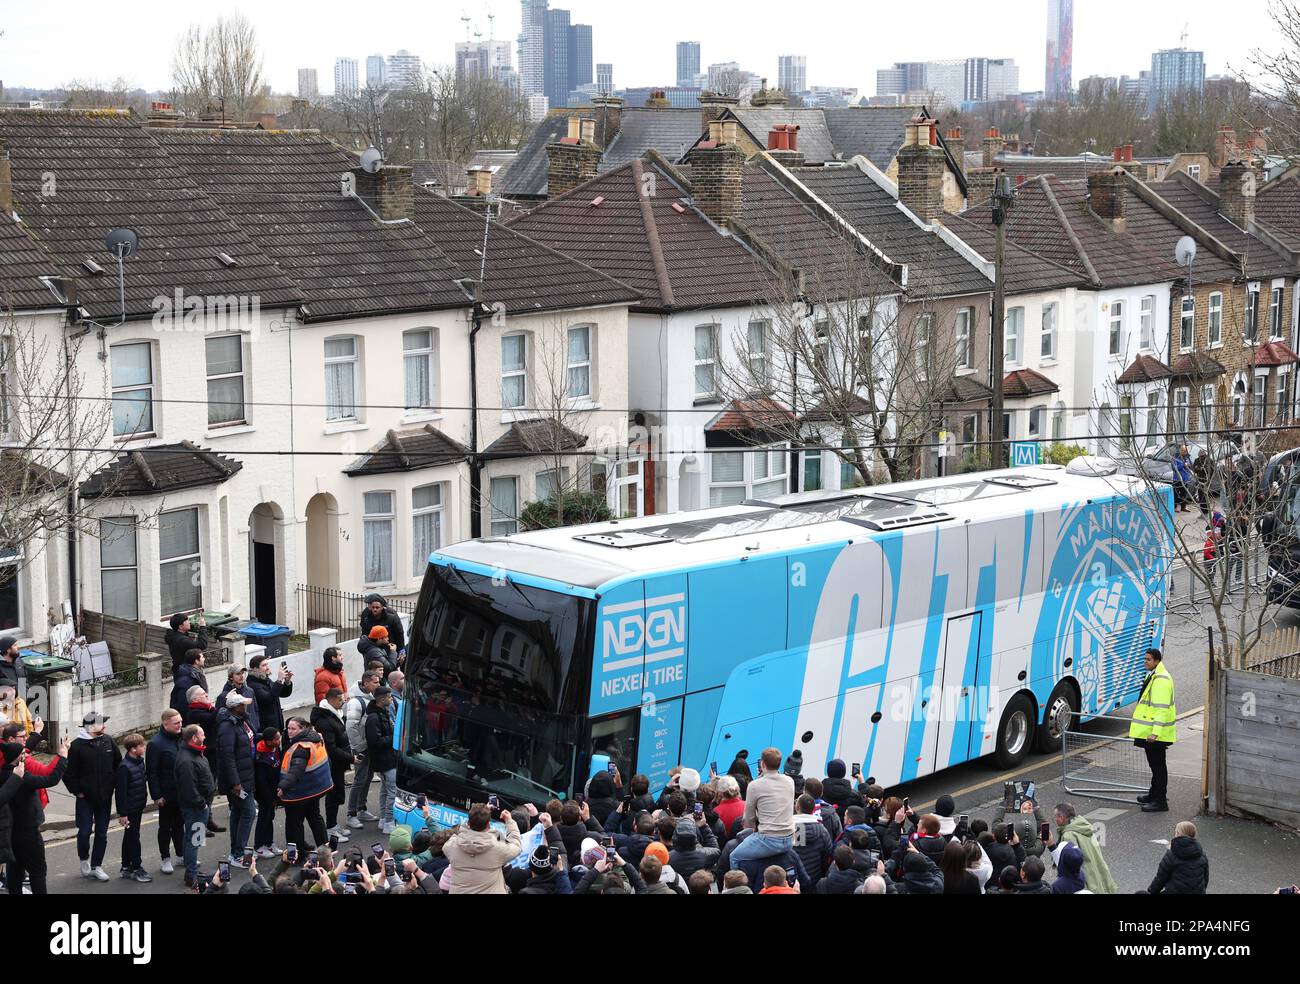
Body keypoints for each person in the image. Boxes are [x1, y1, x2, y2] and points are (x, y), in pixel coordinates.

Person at [3, 736, 68, 894]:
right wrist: (63, 756)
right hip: (28, 833)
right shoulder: (21, 778)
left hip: (9, 832)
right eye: (23, 754)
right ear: (17, 758)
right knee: (38, 871)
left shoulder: (3, 775)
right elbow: (51, 779)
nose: (26, 755)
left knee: (15, 870)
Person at [64, 711, 121, 883]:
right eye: (101, 723)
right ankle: (84, 858)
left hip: (104, 796)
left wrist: (114, 785)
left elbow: (118, 763)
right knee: (84, 832)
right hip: (85, 798)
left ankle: (97, 866)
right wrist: (77, 791)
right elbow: (68, 772)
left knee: (102, 834)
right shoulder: (76, 746)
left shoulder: (108, 741)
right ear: (91, 727)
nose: (104, 725)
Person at [728, 747, 796, 870]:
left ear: (762, 763)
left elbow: (748, 820)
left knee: (734, 856)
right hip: (790, 838)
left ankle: (738, 887)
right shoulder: (789, 781)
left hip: (769, 840)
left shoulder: (755, 786)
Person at [1130, 648, 1176, 813]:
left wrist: (1155, 733)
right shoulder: (1154, 675)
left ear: (1157, 661)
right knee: (1154, 765)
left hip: (1157, 735)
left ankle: (1160, 801)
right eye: (1145, 659)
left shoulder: (1161, 680)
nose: (1145, 662)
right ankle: (1153, 795)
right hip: (1151, 733)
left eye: (1148, 660)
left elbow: (1161, 709)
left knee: (1158, 767)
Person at [277, 716, 332, 851]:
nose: (289, 732)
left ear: (302, 729)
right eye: (288, 728)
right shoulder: (315, 738)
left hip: (299, 792)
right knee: (315, 817)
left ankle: (297, 854)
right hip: (314, 788)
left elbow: (296, 771)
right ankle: (325, 850)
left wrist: (282, 786)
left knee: (294, 823)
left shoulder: (301, 747)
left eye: (293, 729)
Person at [216, 690, 258, 867]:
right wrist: (236, 783)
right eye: (242, 704)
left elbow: (251, 739)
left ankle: (236, 850)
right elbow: (228, 757)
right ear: (235, 707)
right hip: (239, 781)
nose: (245, 706)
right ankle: (238, 853)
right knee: (248, 812)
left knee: (238, 813)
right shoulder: (227, 727)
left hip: (247, 776)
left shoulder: (241, 721)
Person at [443, 803, 521, 894]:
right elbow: (516, 845)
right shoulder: (499, 849)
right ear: (488, 825)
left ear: (468, 822)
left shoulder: (451, 845)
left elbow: (459, 831)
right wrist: (509, 821)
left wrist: (477, 816)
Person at [174, 723, 216, 888]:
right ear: (194, 738)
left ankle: (190, 867)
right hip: (196, 808)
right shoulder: (187, 760)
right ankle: (191, 874)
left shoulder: (192, 753)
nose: (204, 737)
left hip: (197, 806)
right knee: (195, 840)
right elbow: (189, 788)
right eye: (202, 734)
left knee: (190, 838)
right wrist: (202, 805)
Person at [310, 687, 354, 842]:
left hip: (338, 764)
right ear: (332, 699)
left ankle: (333, 824)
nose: (343, 703)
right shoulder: (325, 721)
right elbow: (332, 748)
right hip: (332, 764)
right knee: (333, 795)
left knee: (337, 794)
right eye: (341, 700)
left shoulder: (334, 715)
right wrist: (351, 758)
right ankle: (330, 828)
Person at [146, 709, 184, 875]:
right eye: (176, 723)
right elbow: (152, 772)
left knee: (179, 825)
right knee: (165, 827)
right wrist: (156, 795)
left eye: (181, 722)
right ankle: (165, 858)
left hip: (182, 793)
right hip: (166, 795)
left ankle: (181, 855)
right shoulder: (155, 743)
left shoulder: (182, 737)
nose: (180, 725)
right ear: (165, 723)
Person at [1048, 802, 1117, 895]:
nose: (1055, 820)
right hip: (1099, 871)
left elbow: (1069, 860)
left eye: (1055, 817)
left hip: (1087, 878)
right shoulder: (1083, 826)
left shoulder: (1069, 835)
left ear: (1061, 817)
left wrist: (1051, 846)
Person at [344, 670, 381, 828]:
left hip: (370, 747)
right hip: (361, 748)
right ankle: (351, 813)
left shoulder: (371, 697)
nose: (378, 684)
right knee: (359, 779)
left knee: (367, 777)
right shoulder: (355, 702)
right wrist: (359, 747)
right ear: (366, 683)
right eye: (375, 682)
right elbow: (351, 727)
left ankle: (361, 808)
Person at [114, 733, 152, 883]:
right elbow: (120, 793)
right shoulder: (124, 767)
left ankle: (126, 866)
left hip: (138, 806)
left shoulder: (138, 762)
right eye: (141, 746)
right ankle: (136, 868)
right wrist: (123, 814)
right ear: (133, 749)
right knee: (134, 838)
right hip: (129, 810)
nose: (144, 747)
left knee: (129, 836)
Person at [363, 686, 398, 834]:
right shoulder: (373, 718)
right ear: (382, 699)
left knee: (385, 790)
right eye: (389, 697)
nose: (391, 700)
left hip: (386, 759)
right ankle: (389, 821)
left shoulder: (380, 713)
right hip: (384, 760)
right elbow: (375, 741)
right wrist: (394, 738)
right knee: (392, 791)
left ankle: (384, 819)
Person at [1148, 820, 1210, 894]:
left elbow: (1161, 878)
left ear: (1177, 834)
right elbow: (1205, 878)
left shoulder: (1172, 855)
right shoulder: (1202, 855)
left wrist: (1151, 891)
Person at [252, 727, 283, 857]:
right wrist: (270, 798)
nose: (279, 740)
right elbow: (262, 782)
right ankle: (259, 846)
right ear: (269, 742)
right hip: (264, 794)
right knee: (264, 818)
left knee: (270, 817)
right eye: (277, 739)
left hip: (273, 792)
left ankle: (269, 843)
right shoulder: (260, 757)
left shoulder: (274, 749)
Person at [791, 793, 834, 882]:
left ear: (797, 807)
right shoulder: (822, 831)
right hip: (815, 877)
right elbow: (829, 852)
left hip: (793, 879)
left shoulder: (789, 829)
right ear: (813, 809)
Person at [246, 654, 293, 735]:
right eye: (264, 665)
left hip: (275, 724)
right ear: (255, 669)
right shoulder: (253, 684)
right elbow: (269, 699)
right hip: (266, 727)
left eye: (267, 664)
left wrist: (287, 682)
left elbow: (282, 693)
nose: (267, 667)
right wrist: (279, 680)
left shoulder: (265, 679)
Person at [217, 665, 263, 737]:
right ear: (231, 677)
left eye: (242, 673)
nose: (241, 676)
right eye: (238, 674)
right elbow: (219, 715)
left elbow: (255, 710)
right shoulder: (224, 695)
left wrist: (256, 726)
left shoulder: (250, 691)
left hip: (253, 732)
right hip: (237, 734)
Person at [169, 649, 207, 715]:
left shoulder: (196, 674)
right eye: (202, 657)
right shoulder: (187, 678)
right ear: (196, 661)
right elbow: (183, 703)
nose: (204, 659)